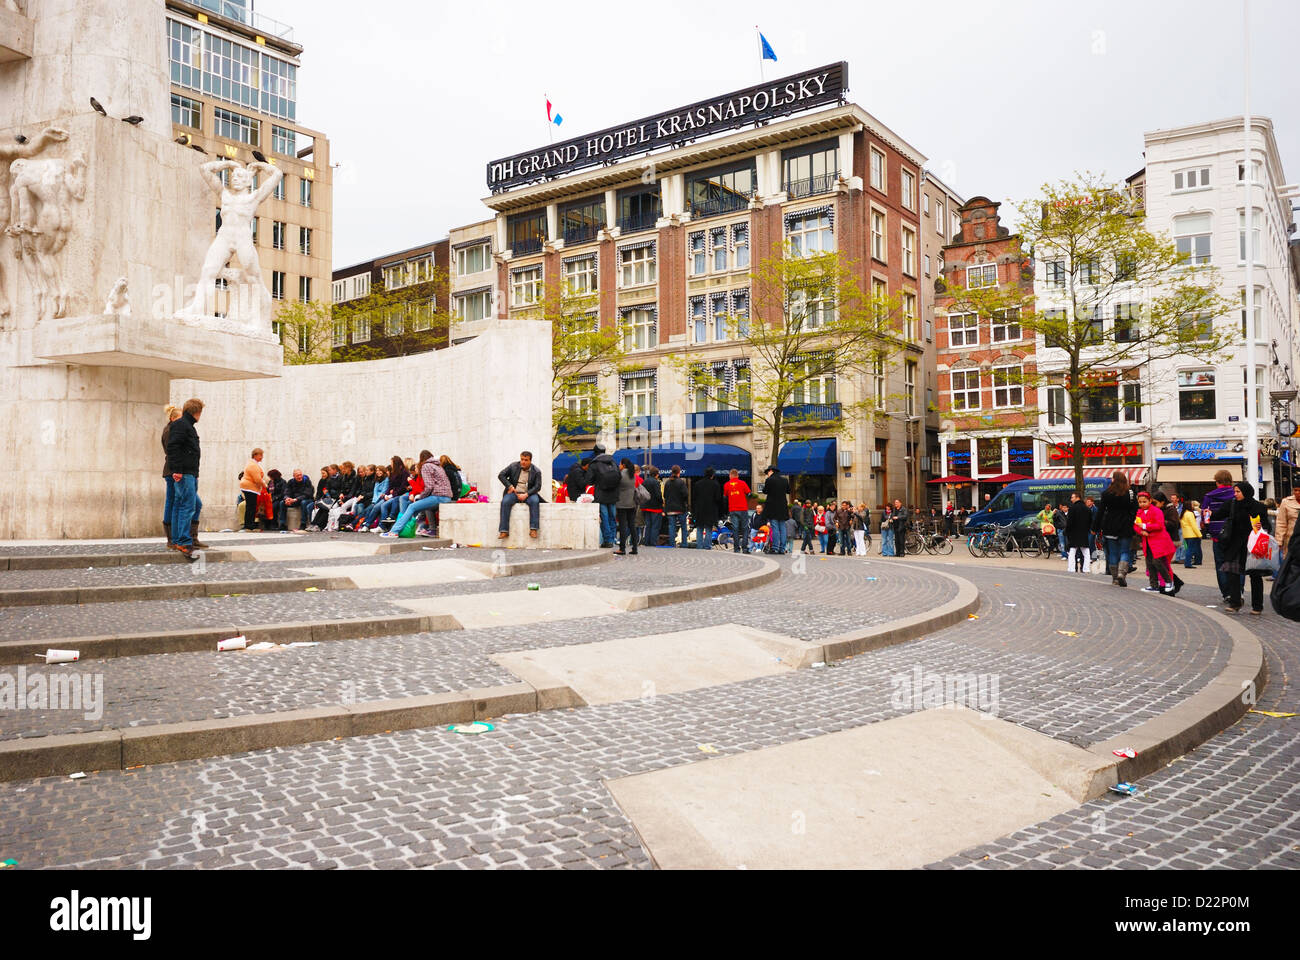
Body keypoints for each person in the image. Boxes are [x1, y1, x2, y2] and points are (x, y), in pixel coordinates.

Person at [1214, 480, 1271, 615]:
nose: (1236, 494)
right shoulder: (1232, 504)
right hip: (1234, 545)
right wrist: (1208, 512)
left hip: (1252, 547)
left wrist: (1261, 527)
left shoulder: (1258, 507)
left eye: (1238, 492)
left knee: (1255, 575)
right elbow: (1218, 514)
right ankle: (1235, 603)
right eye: (1235, 491)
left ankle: (1257, 606)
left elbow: (1267, 526)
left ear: (1246, 492)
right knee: (1232, 574)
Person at [382, 450, 453, 538]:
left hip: (438, 496)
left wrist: (421, 497)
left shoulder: (426, 466)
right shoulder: (438, 466)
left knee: (412, 507)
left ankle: (394, 531)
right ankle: (420, 529)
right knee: (416, 509)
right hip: (447, 497)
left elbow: (429, 486)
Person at [167, 398, 205, 560]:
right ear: (196, 412)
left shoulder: (186, 425)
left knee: (180, 505)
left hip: (188, 472)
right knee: (186, 506)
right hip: (184, 473)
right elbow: (173, 447)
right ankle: (183, 540)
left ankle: (177, 539)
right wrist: (177, 470)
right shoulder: (182, 425)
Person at [1094, 471, 1138, 588]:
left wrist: (1095, 527)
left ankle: (1114, 578)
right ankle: (1121, 573)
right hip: (1126, 526)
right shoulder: (1130, 493)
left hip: (1110, 526)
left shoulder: (1107, 493)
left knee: (1113, 553)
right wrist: (1131, 519)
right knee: (1125, 551)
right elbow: (1135, 510)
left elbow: (1101, 511)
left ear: (1113, 480)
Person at [1202, 469, 1239, 604]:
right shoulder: (1236, 494)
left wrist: (1209, 529)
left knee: (1221, 564)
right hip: (1235, 534)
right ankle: (1238, 591)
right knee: (1237, 562)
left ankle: (1227, 593)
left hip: (1218, 535)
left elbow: (1205, 516)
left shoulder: (1209, 496)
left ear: (1217, 482)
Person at [1135, 490, 1178, 594]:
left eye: (1144, 501)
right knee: (1149, 563)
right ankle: (1153, 585)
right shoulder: (1139, 512)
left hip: (1159, 541)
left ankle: (1169, 582)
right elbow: (1136, 525)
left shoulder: (1156, 511)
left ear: (1150, 501)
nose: (1142, 504)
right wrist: (1141, 531)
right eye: (1140, 502)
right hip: (1148, 541)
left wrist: (1145, 527)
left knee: (1157, 562)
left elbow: (1159, 525)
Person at [494, 450, 543, 540]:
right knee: (505, 501)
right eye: (522, 459)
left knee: (535, 501)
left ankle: (533, 529)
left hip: (529, 494)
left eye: (526, 460)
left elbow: (538, 486)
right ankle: (504, 530)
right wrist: (510, 486)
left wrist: (527, 494)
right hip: (514, 493)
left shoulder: (536, 471)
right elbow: (501, 475)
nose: (523, 462)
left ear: (530, 461)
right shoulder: (513, 466)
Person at [589, 444, 620, 548]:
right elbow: (619, 476)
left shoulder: (594, 463)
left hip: (601, 494)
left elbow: (589, 480)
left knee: (604, 518)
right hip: (613, 494)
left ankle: (608, 540)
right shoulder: (613, 462)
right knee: (612, 517)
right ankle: (612, 538)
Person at [160, 404, 182, 547]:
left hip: (170, 469)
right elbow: (172, 451)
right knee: (172, 502)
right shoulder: (170, 431)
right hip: (172, 470)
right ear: (173, 418)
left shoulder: (169, 429)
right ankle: (172, 537)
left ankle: (172, 537)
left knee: (171, 501)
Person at [691, 467, 722, 550]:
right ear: (712, 475)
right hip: (711, 510)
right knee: (709, 528)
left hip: (699, 510)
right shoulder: (715, 484)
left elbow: (694, 498)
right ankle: (707, 546)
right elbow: (718, 498)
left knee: (699, 528)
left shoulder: (697, 484)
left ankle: (699, 546)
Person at [614, 457, 640, 555]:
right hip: (632, 503)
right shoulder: (632, 474)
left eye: (620, 464)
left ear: (623, 465)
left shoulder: (620, 475)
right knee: (632, 526)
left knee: (623, 526)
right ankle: (635, 548)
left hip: (622, 503)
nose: (619, 466)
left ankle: (622, 548)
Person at [762, 466, 790, 555]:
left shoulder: (769, 480)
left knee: (775, 528)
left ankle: (775, 548)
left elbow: (765, 491)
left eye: (767, 473)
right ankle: (782, 548)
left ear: (771, 471)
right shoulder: (785, 480)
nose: (767, 474)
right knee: (783, 528)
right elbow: (788, 491)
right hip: (782, 506)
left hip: (772, 507)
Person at [723, 469, 752, 555]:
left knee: (735, 529)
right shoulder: (742, 483)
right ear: (737, 475)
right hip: (743, 508)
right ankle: (745, 548)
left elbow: (725, 497)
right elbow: (749, 494)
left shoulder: (727, 485)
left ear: (730, 476)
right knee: (745, 529)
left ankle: (736, 548)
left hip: (733, 509)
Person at [1064, 492, 1093, 574]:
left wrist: (1067, 531)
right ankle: (1086, 569)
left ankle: (1071, 569)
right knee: (1086, 552)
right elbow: (1090, 522)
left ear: (1077, 497)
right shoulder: (1087, 509)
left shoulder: (1072, 508)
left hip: (1074, 533)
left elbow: (1069, 522)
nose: (1071, 499)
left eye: (1072, 497)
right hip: (1084, 533)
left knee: (1072, 552)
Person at [239, 447, 266, 532]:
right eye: (260, 455)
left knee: (250, 506)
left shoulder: (253, 464)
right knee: (251, 506)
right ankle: (249, 526)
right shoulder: (253, 465)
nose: (262, 457)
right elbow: (257, 479)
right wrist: (264, 485)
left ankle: (249, 525)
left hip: (249, 487)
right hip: (250, 488)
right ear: (255, 455)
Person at [663, 465, 689, 547]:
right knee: (683, 527)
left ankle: (672, 544)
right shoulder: (681, 482)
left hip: (670, 508)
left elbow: (664, 495)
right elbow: (685, 494)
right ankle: (684, 544)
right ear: (679, 472)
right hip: (680, 508)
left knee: (672, 527)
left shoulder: (667, 482)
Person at [641, 465, 664, 548]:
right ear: (656, 474)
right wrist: (662, 502)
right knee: (655, 525)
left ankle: (647, 541)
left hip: (645, 506)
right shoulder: (656, 482)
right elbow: (658, 495)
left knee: (648, 525)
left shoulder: (645, 481)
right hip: (655, 507)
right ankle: (653, 542)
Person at [1276, 483, 1299, 563]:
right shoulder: (1286, 502)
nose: (1297, 493)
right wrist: (1279, 541)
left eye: (1299, 490)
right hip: (1291, 540)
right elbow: (1281, 523)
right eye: (1295, 490)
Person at [1181, 499, 1203, 569]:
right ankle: (1188, 563)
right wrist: (1200, 535)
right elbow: (1194, 525)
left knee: (1189, 549)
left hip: (1186, 534)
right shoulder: (1190, 514)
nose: (1193, 506)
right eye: (1192, 505)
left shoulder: (1183, 514)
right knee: (1191, 549)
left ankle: (1187, 562)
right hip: (1192, 534)